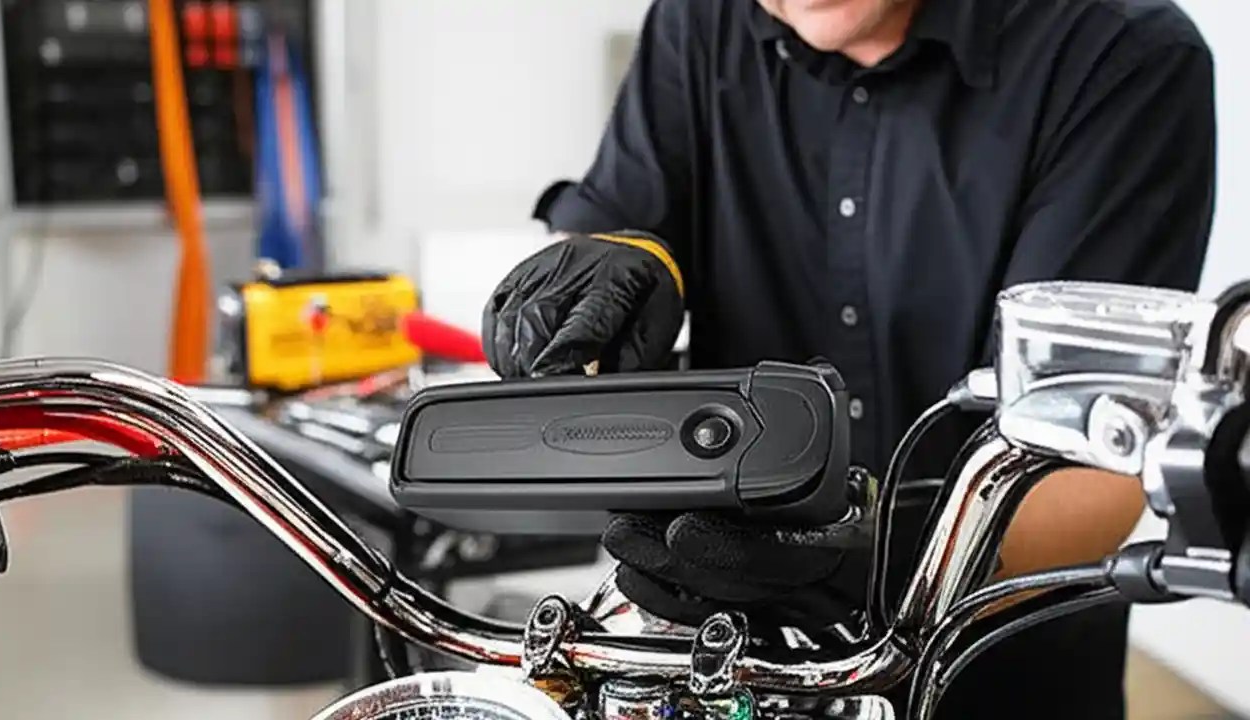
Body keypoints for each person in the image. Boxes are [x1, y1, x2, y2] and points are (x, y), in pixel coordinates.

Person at [482, 0, 1216, 716]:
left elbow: (1092, 469)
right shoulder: (698, 21)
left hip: (1000, 669)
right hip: (742, 673)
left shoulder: (1122, 53)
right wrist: (613, 267)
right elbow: (625, 219)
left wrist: (887, 562)